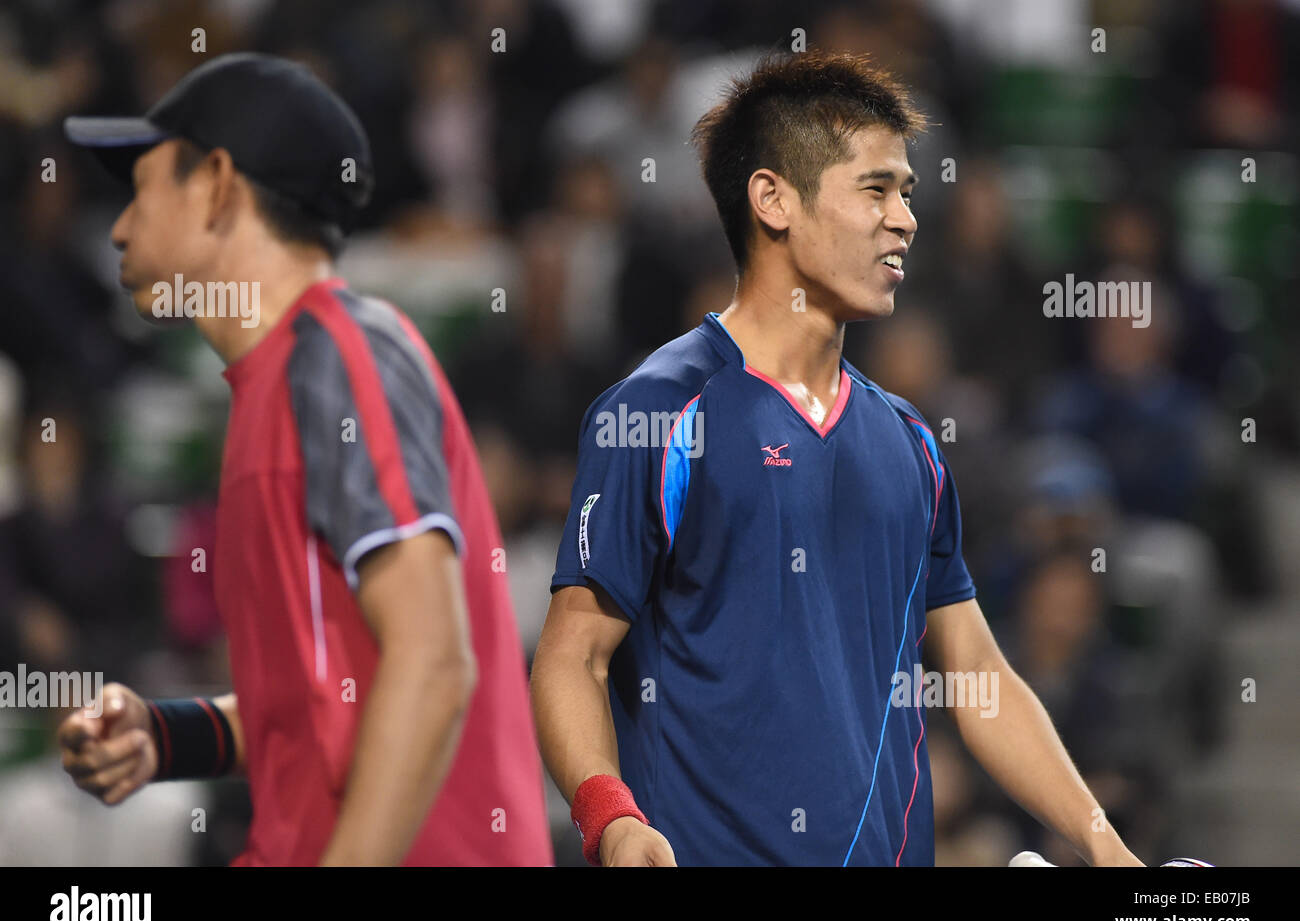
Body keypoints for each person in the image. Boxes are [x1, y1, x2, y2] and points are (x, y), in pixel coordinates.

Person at [530, 50, 1145, 867]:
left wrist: (1104, 847)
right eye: (876, 189)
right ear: (774, 200)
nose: (907, 219)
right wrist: (611, 818)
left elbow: (977, 675)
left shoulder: (910, 442)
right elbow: (572, 655)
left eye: (908, 193)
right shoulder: (656, 414)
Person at [56, 52, 551, 866]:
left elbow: (433, 665)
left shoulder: (343, 352)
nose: (118, 225)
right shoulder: (277, 385)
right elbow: (317, 707)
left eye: (141, 187)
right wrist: (164, 735)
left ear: (217, 183)